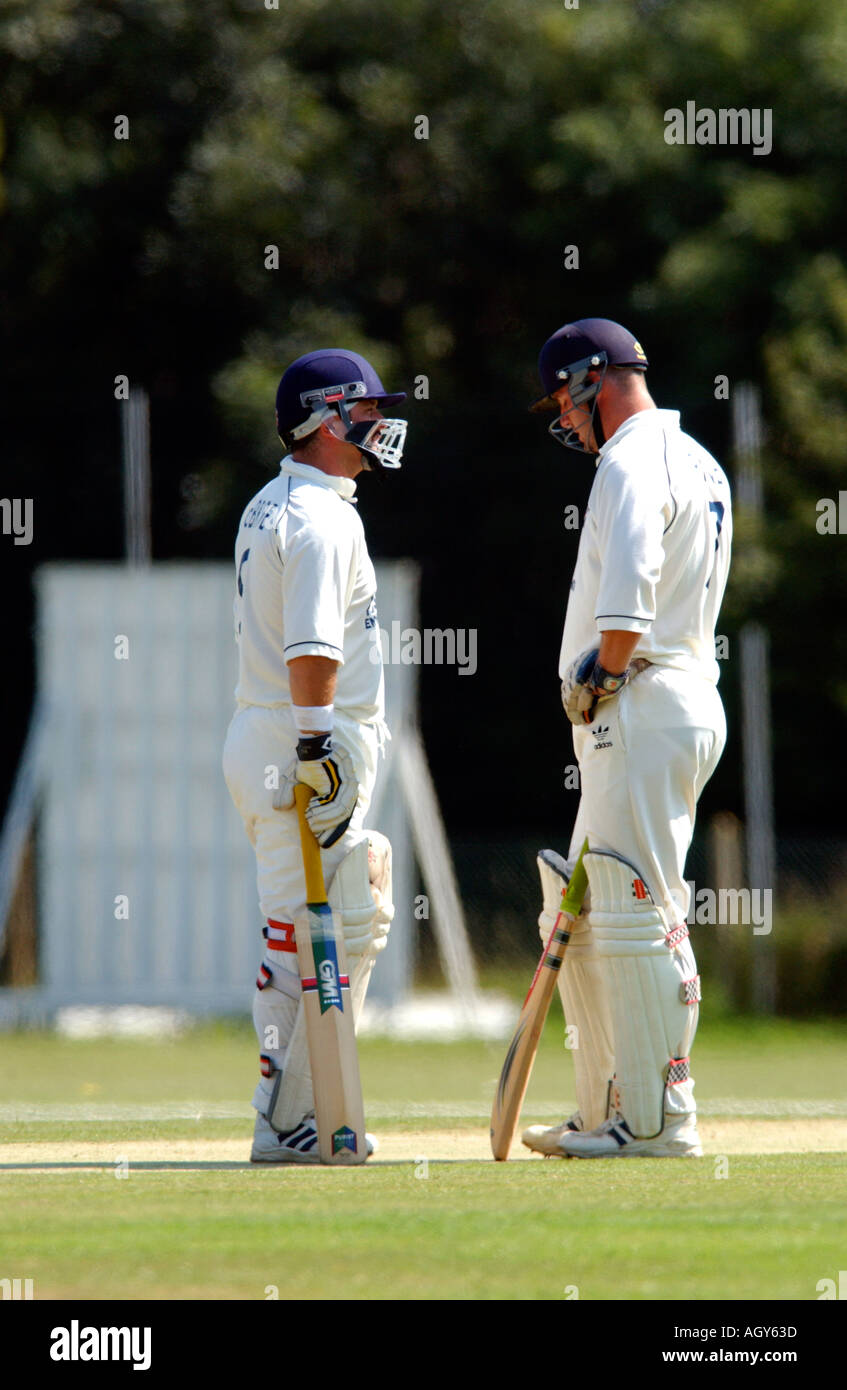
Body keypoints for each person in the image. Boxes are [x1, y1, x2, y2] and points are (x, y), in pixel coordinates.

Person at [522, 318, 732, 1158]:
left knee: (637, 907)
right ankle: (610, 1104)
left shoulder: (630, 460)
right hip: (674, 698)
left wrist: (600, 671)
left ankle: (654, 1119)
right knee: (599, 905)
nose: (564, 422)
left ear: (590, 380)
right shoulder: (697, 458)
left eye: (563, 403)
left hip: (640, 699)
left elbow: (634, 580)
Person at [222, 348, 406, 1163]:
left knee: (305, 924)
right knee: (317, 928)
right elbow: (312, 648)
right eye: (364, 411)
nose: (378, 424)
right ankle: (290, 1118)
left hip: (276, 735)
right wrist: (317, 748)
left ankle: (294, 1108)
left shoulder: (276, 502)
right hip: (303, 739)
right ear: (326, 418)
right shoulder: (322, 518)